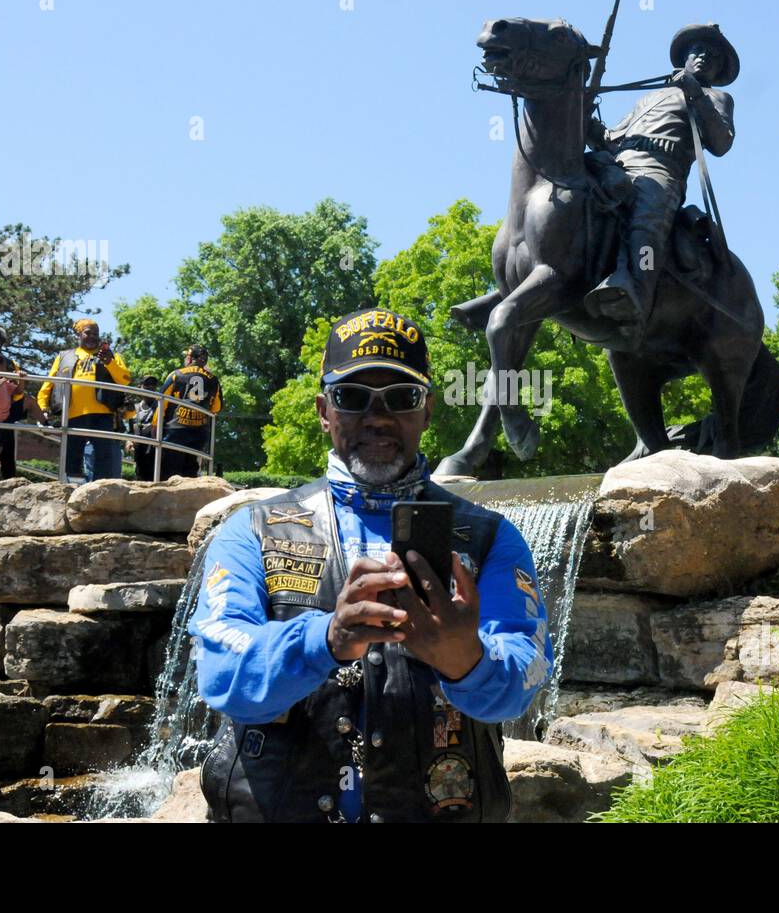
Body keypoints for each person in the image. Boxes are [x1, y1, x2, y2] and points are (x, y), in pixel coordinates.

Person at [193, 307, 553, 823]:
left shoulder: (492, 538)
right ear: (324, 410)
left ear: (427, 411)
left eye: (401, 399)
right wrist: (327, 639)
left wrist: (468, 660)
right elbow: (223, 677)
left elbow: (526, 681)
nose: (378, 417)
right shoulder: (251, 530)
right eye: (353, 397)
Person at [584, 22, 739, 325]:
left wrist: (694, 92)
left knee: (647, 219)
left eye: (713, 56)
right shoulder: (649, 98)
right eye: (699, 51)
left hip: (661, 169)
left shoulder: (717, 98)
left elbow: (721, 142)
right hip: (620, 162)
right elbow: (611, 139)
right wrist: (585, 119)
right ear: (685, 57)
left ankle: (636, 296)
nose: (704, 57)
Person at [36, 318, 132, 482]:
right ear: (78, 335)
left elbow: (125, 379)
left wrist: (110, 363)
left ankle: (101, 491)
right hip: (73, 413)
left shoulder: (110, 355)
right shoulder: (63, 356)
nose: (93, 336)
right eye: (88, 332)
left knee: (104, 456)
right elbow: (49, 384)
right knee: (72, 456)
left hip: (103, 413)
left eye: (96, 334)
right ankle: (72, 489)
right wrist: (42, 408)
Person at [156, 344, 222, 479]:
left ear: (191, 358)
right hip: (198, 432)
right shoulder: (213, 380)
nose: (186, 358)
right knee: (190, 471)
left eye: (187, 356)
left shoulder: (176, 374)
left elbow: (161, 401)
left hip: (175, 430)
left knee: (169, 472)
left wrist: (155, 425)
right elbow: (217, 408)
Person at [125, 375, 161, 481]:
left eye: (153, 385)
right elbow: (130, 430)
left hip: (157, 454)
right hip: (140, 454)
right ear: (140, 387)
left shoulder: (162, 406)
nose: (150, 387)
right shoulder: (134, 408)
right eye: (146, 385)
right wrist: (129, 441)